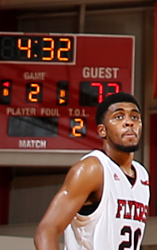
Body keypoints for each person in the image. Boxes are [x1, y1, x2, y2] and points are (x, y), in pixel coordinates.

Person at [34, 93, 148, 250]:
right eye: (119, 116)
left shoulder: (142, 175)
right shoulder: (92, 169)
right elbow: (46, 231)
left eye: (135, 117)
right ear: (102, 131)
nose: (129, 122)